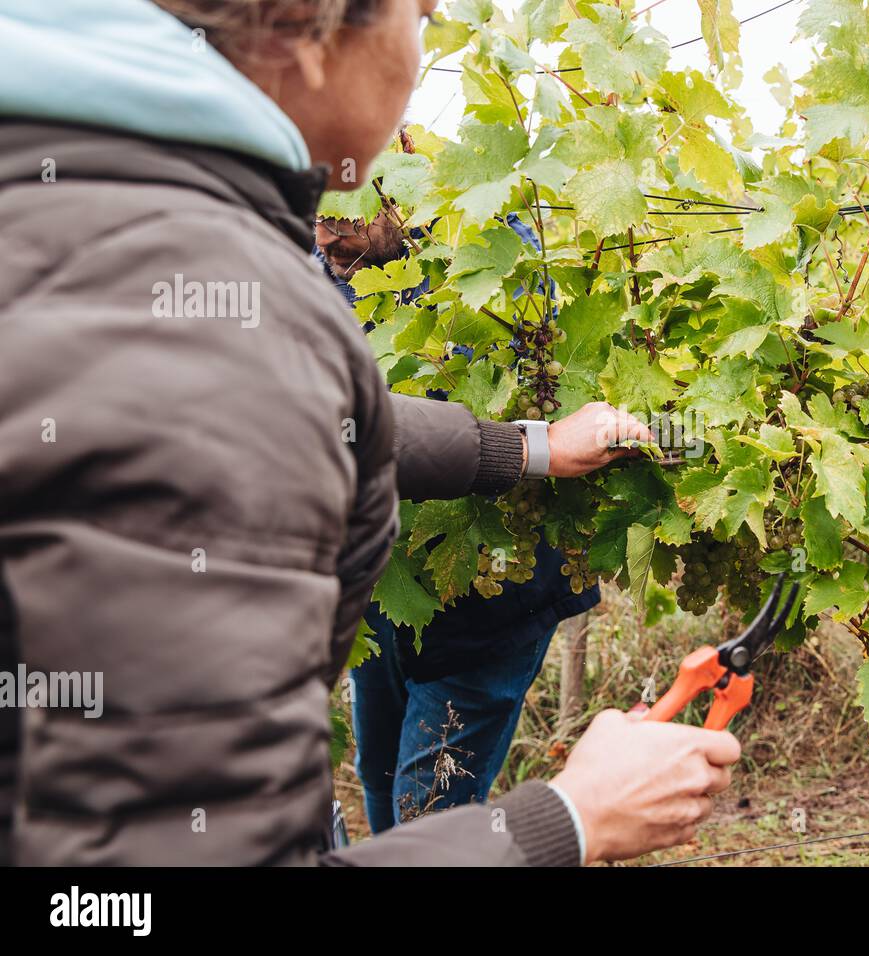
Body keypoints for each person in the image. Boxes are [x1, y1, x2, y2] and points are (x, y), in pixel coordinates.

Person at [0, 0, 741, 866]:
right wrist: (566, 822)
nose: (429, 25)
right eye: (418, 9)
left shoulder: (88, 210)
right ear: (307, 30)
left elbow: (298, 409)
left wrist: (529, 447)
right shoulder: (202, 294)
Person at [316, 210, 599, 830]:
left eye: (345, 218)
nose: (326, 238)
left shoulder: (494, 248)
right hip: (385, 588)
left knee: (432, 811)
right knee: (380, 775)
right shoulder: (314, 276)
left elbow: (448, 419)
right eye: (315, 215)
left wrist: (533, 449)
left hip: (489, 601)